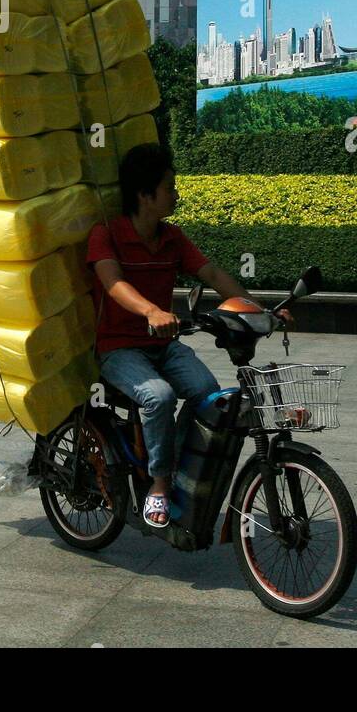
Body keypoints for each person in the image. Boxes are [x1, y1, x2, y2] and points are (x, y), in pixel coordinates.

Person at [86, 142, 260, 529]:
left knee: (209, 394)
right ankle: (159, 486)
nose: (176, 194)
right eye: (170, 187)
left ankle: (171, 462)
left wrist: (257, 310)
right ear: (145, 195)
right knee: (158, 396)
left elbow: (212, 275)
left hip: (163, 345)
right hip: (119, 348)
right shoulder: (107, 234)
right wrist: (151, 310)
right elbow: (112, 283)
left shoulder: (173, 237)